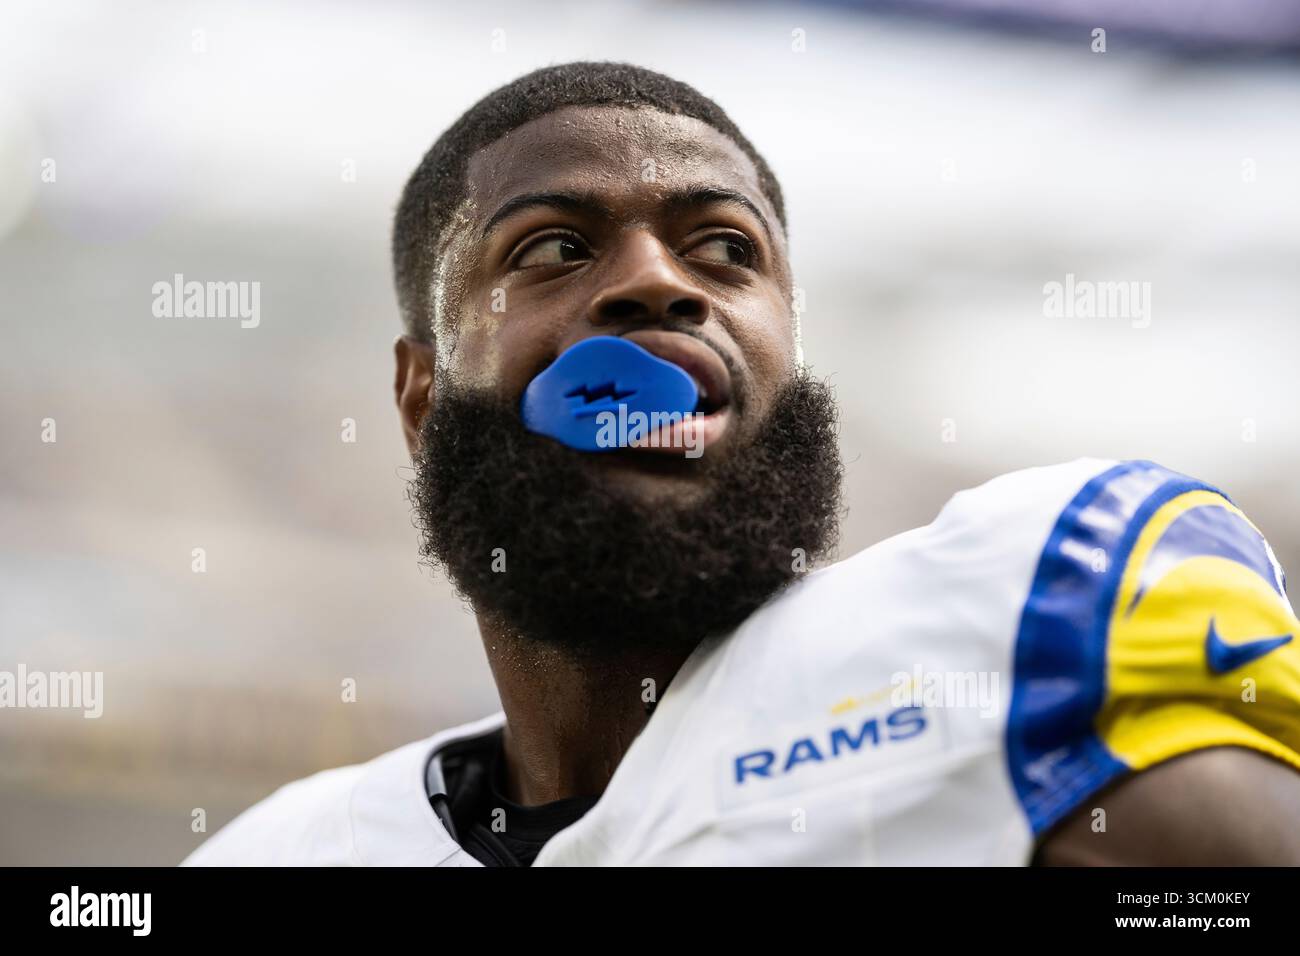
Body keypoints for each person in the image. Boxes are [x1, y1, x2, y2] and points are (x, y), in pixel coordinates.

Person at [184, 61, 1300, 866]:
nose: (657, 283)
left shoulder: (1031, 613)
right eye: (555, 247)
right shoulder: (280, 848)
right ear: (423, 399)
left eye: (725, 247)